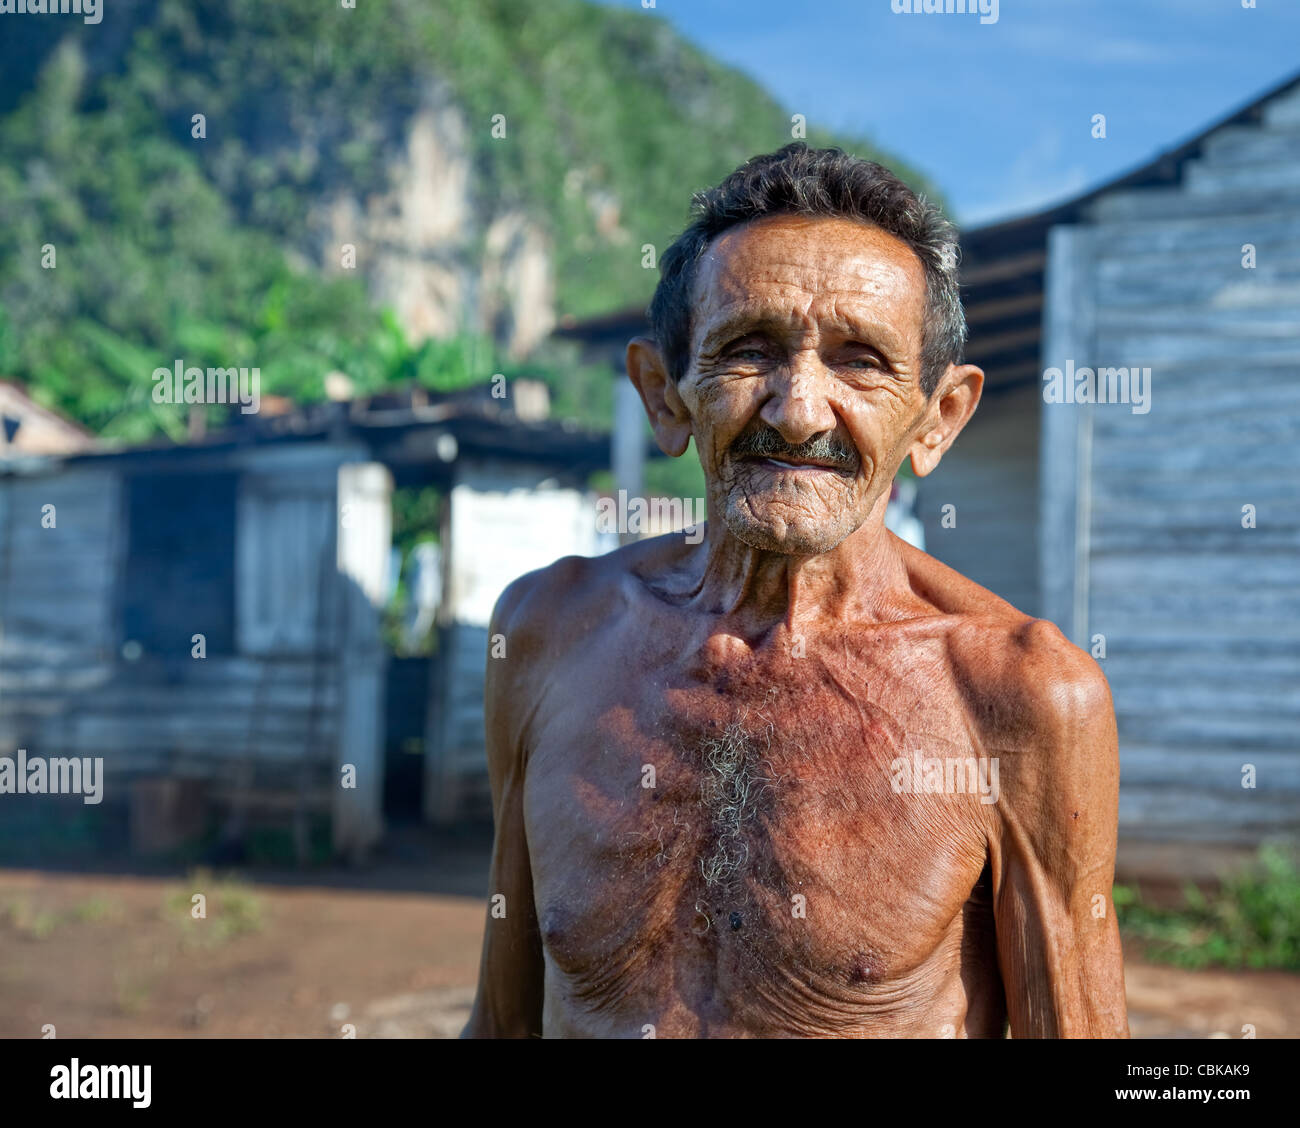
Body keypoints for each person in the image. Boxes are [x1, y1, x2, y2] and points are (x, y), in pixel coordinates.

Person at [464, 144, 1128, 1038]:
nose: (799, 410)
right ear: (665, 397)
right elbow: (504, 1022)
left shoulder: (1021, 699)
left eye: (861, 361)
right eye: (749, 351)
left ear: (938, 418)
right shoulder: (547, 634)